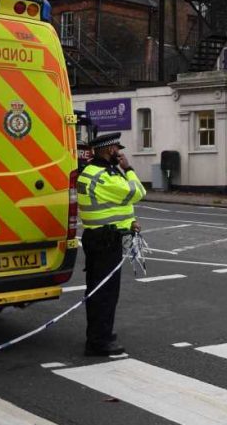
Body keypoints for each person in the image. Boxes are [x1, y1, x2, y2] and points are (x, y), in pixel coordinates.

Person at [76, 133, 144, 356]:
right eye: (117, 148)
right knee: (105, 293)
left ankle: (98, 335)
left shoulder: (92, 171)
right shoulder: (104, 175)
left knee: (97, 290)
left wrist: (128, 222)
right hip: (105, 241)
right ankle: (99, 341)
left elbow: (111, 207)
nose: (120, 153)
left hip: (98, 237)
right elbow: (136, 193)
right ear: (107, 150)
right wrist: (130, 168)